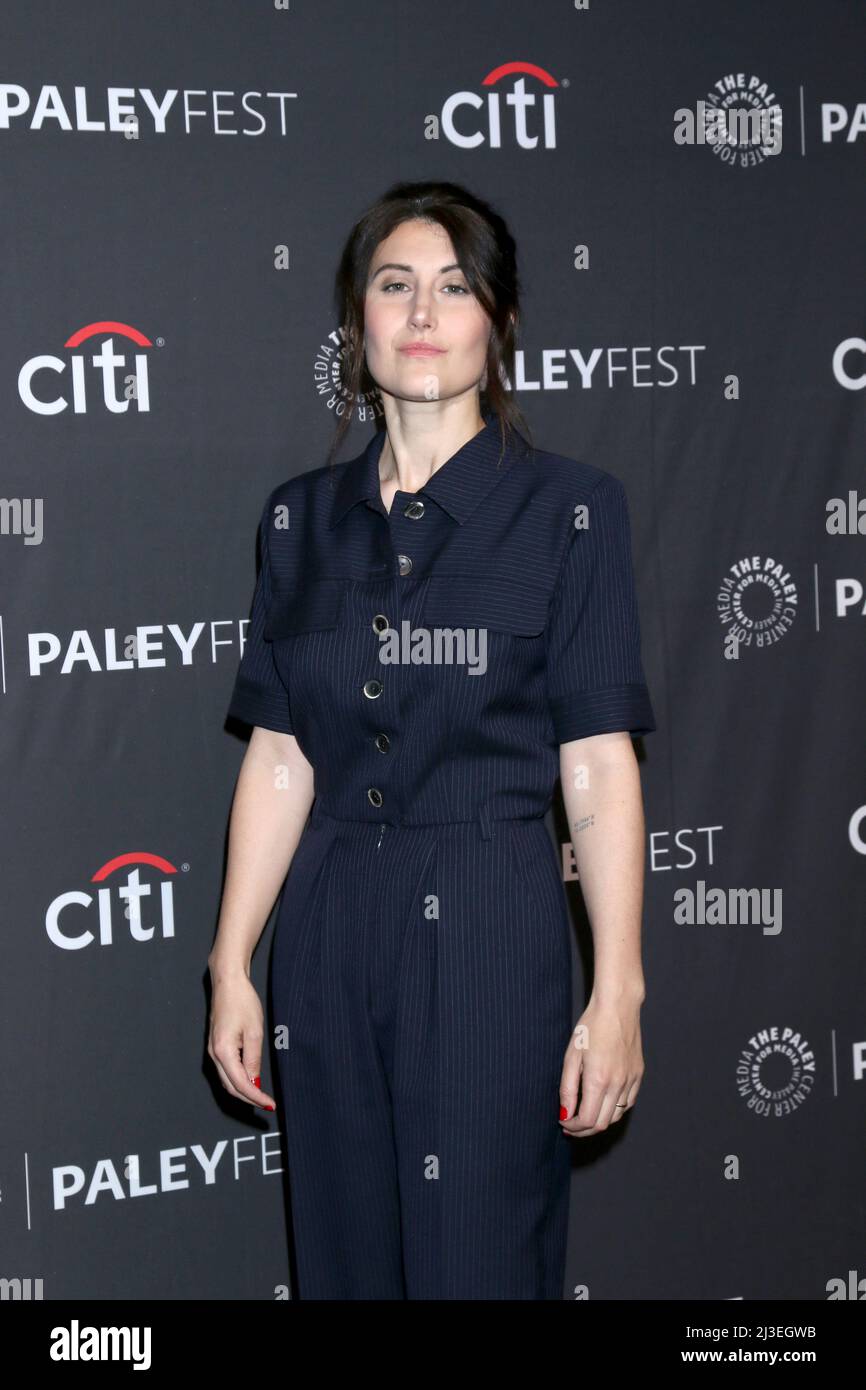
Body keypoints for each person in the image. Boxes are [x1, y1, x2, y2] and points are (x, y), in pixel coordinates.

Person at [208, 180, 657, 1300]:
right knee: (345, 1259)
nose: (421, 313)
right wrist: (230, 961)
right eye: (394, 286)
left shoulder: (569, 511)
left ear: (498, 325)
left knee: (477, 1261)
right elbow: (279, 752)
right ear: (355, 322)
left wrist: (617, 990)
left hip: (486, 924)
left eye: (454, 289)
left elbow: (597, 763)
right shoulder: (297, 520)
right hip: (324, 928)